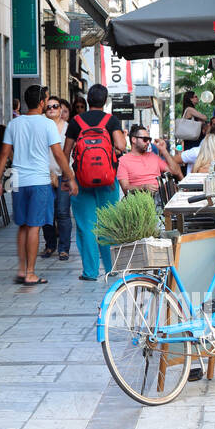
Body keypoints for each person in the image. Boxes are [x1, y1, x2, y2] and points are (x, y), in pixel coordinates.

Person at [0, 85, 76, 287]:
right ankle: (30, 273)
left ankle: (21, 270)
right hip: (38, 179)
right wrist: (69, 177)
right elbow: (58, 153)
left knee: (22, 226)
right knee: (34, 227)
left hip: (17, 178)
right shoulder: (47, 125)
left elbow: (4, 154)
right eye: (46, 99)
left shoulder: (14, 123)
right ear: (41, 102)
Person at [63, 84, 127, 281]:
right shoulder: (111, 120)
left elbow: (65, 153)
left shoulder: (76, 122)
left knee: (86, 225)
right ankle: (111, 268)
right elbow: (121, 146)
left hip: (82, 182)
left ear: (88, 100)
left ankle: (90, 272)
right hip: (107, 182)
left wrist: (69, 178)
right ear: (105, 101)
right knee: (108, 224)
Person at [40, 97, 73, 261]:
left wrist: (64, 175)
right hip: (45, 177)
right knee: (47, 214)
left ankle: (64, 248)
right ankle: (50, 245)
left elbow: (71, 157)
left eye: (55, 106)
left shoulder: (68, 129)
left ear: (61, 110)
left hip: (64, 177)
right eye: (48, 107)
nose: (52, 109)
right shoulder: (41, 129)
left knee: (62, 212)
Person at [118, 125, 182, 193]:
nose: (148, 142)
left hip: (160, 197)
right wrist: (143, 187)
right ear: (134, 140)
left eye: (149, 139)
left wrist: (164, 151)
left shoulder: (153, 156)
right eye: (145, 139)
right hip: (140, 199)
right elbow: (125, 188)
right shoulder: (123, 161)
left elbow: (175, 171)